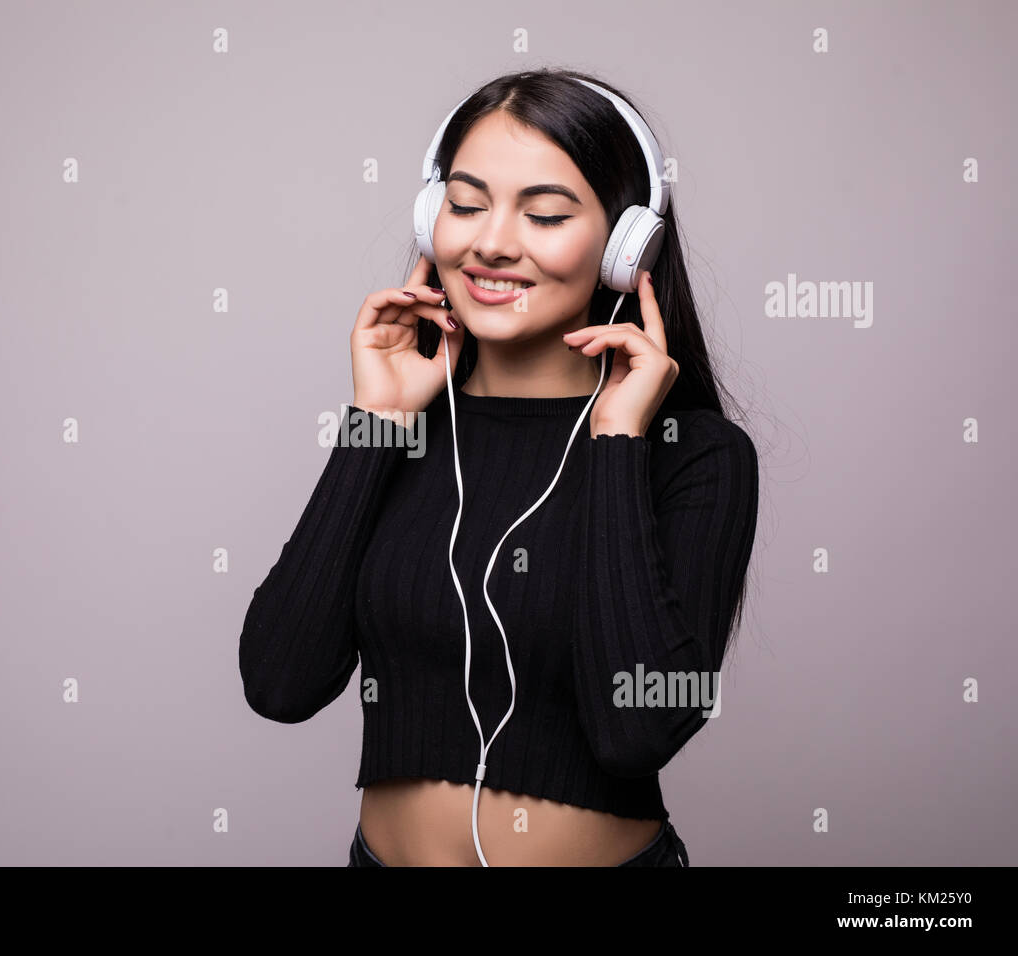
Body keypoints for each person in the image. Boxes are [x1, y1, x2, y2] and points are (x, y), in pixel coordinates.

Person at [239, 68, 759, 866]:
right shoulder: (405, 428)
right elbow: (280, 684)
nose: (491, 242)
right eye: (467, 203)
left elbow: (635, 730)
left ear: (628, 248)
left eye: (545, 214)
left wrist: (617, 441)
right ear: (429, 217)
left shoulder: (695, 459)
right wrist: (376, 425)